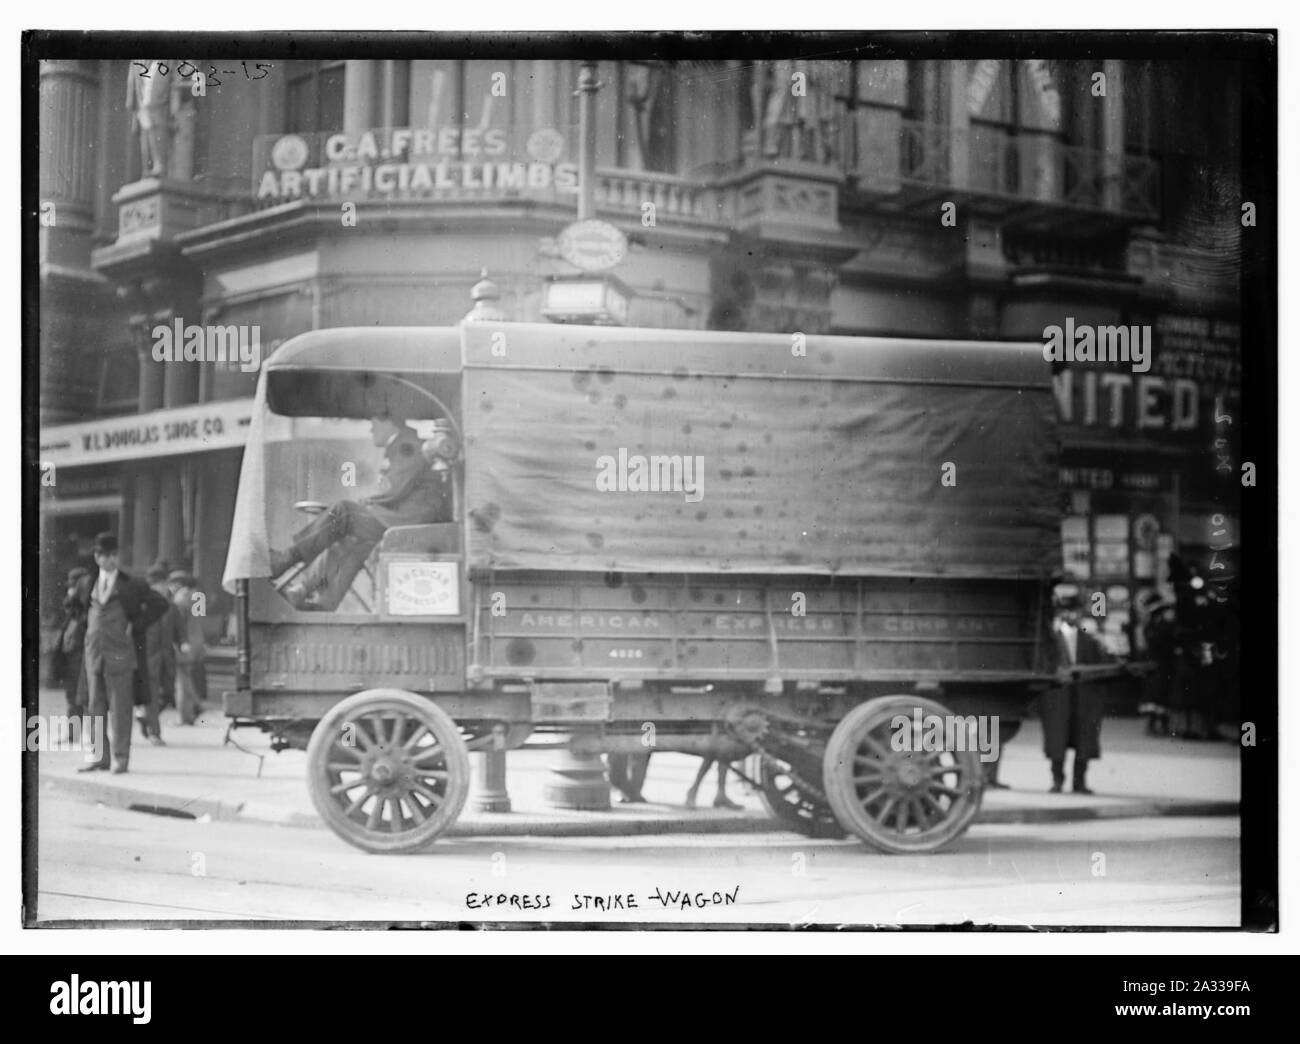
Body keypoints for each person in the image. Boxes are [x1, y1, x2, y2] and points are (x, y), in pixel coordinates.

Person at [268, 413, 455, 611]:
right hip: (405, 516)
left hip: (408, 519)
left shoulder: (406, 443)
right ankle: (319, 600)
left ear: (388, 422)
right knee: (351, 538)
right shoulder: (403, 443)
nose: (371, 430)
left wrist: (366, 503)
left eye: (374, 424)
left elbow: (394, 488)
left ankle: (286, 559)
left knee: (344, 512)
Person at [74, 532, 170, 774]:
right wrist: (87, 624)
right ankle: (99, 758)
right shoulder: (87, 583)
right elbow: (73, 607)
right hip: (93, 654)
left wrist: (136, 624)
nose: (111, 560)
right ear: (96, 557)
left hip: (121, 656)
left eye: (114, 555)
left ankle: (120, 758)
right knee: (94, 707)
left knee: (121, 709)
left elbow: (160, 604)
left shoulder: (132, 584)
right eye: (105, 555)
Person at [1041, 584, 1112, 794]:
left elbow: (1103, 664)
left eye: (1074, 612)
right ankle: (1057, 781)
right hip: (1058, 698)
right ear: (1060, 614)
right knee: (1057, 739)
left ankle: (1079, 782)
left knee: (1085, 739)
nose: (1070, 615)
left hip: (1084, 698)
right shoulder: (1050, 641)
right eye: (1066, 612)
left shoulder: (1089, 639)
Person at [139, 562, 183, 742]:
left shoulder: (171, 605)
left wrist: (183, 643)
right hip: (149, 657)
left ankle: (144, 716)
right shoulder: (143, 605)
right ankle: (154, 732)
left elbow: (179, 628)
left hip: (167, 657)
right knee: (153, 694)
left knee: (168, 694)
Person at [54, 566, 91, 738]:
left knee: (81, 696)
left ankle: (79, 733)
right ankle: (73, 733)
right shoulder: (74, 603)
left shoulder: (86, 603)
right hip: (71, 654)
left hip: (81, 655)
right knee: (72, 695)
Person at [169, 571, 206, 725]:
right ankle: (190, 713)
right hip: (198, 641)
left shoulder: (180, 598)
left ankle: (188, 712)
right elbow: (199, 618)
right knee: (187, 677)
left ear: (179, 583)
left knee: (182, 679)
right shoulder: (199, 596)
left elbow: (178, 623)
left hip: (185, 643)